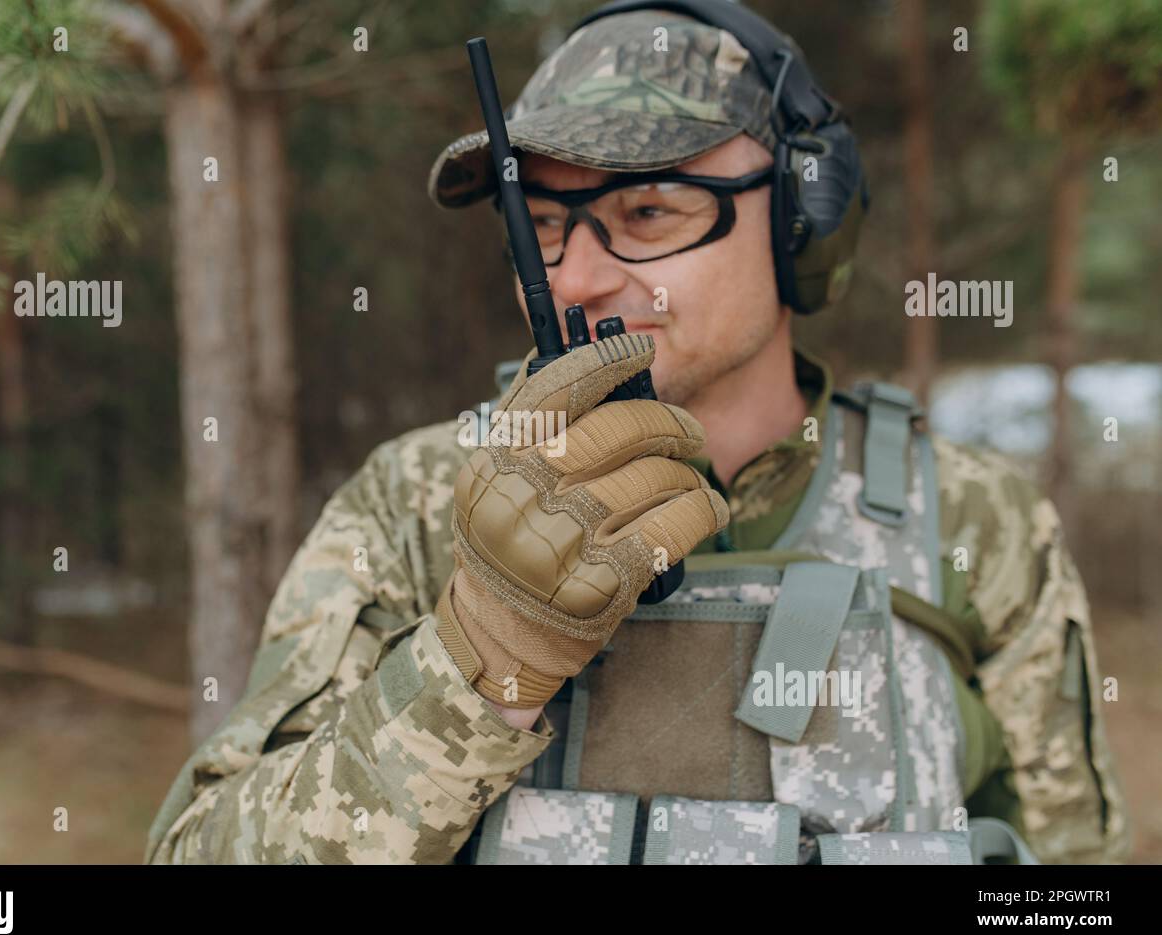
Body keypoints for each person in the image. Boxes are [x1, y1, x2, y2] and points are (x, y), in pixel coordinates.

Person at [146, 1, 1128, 865]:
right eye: (541, 223)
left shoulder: (968, 519)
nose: (574, 279)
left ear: (800, 217)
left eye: (647, 210)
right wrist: (478, 661)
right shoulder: (415, 499)